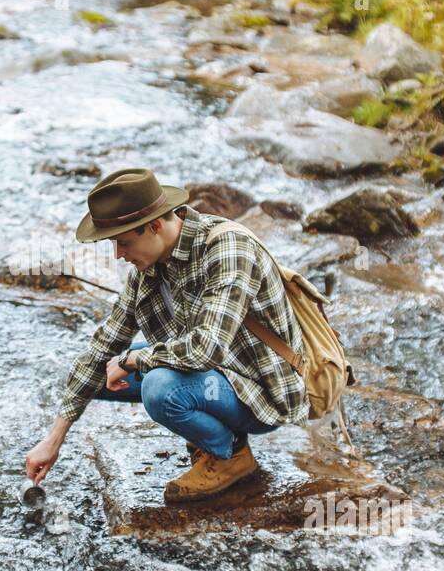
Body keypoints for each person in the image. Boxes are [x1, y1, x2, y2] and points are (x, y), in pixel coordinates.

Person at [24, 166, 310, 502]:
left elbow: (205, 350)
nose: (118, 254)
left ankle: (230, 455)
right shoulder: (149, 267)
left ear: (156, 225)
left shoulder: (229, 249)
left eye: (123, 242)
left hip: (260, 387)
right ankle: (207, 434)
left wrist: (132, 360)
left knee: (159, 388)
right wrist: (53, 439)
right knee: (92, 373)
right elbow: (103, 346)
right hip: (213, 372)